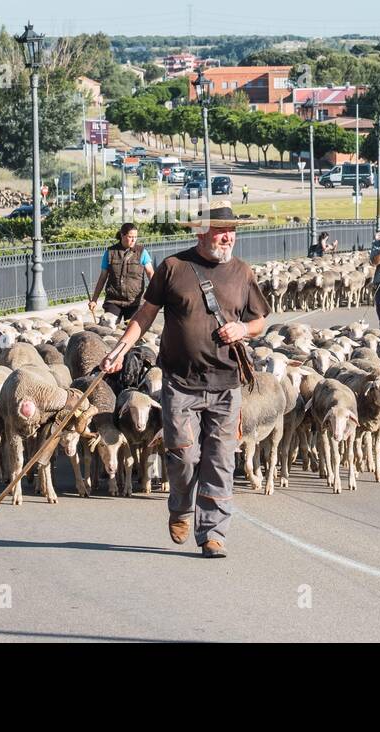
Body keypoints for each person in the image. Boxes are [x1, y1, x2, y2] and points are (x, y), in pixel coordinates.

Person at [100, 206, 269, 559]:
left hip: (226, 383)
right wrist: (119, 349)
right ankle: (179, 507)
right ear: (201, 234)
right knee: (184, 457)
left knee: (220, 460)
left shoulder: (242, 272)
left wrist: (243, 329)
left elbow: (259, 322)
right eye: (221, 232)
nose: (228, 237)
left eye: (232, 231)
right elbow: (146, 313)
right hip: (180, 382)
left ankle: (213, 533)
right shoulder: (174, 268)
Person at [88, 222, 155, 322]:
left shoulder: (142, 252)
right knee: (110, 330)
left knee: (131, 332)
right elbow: (102, 277)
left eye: (135, 237)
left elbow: (150, 273)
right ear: (122, 235)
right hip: (113, 301)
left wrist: (157, 294)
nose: (134, 240)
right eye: (130, 236)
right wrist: (94, 300)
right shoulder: (110, 252)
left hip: (134, 302)